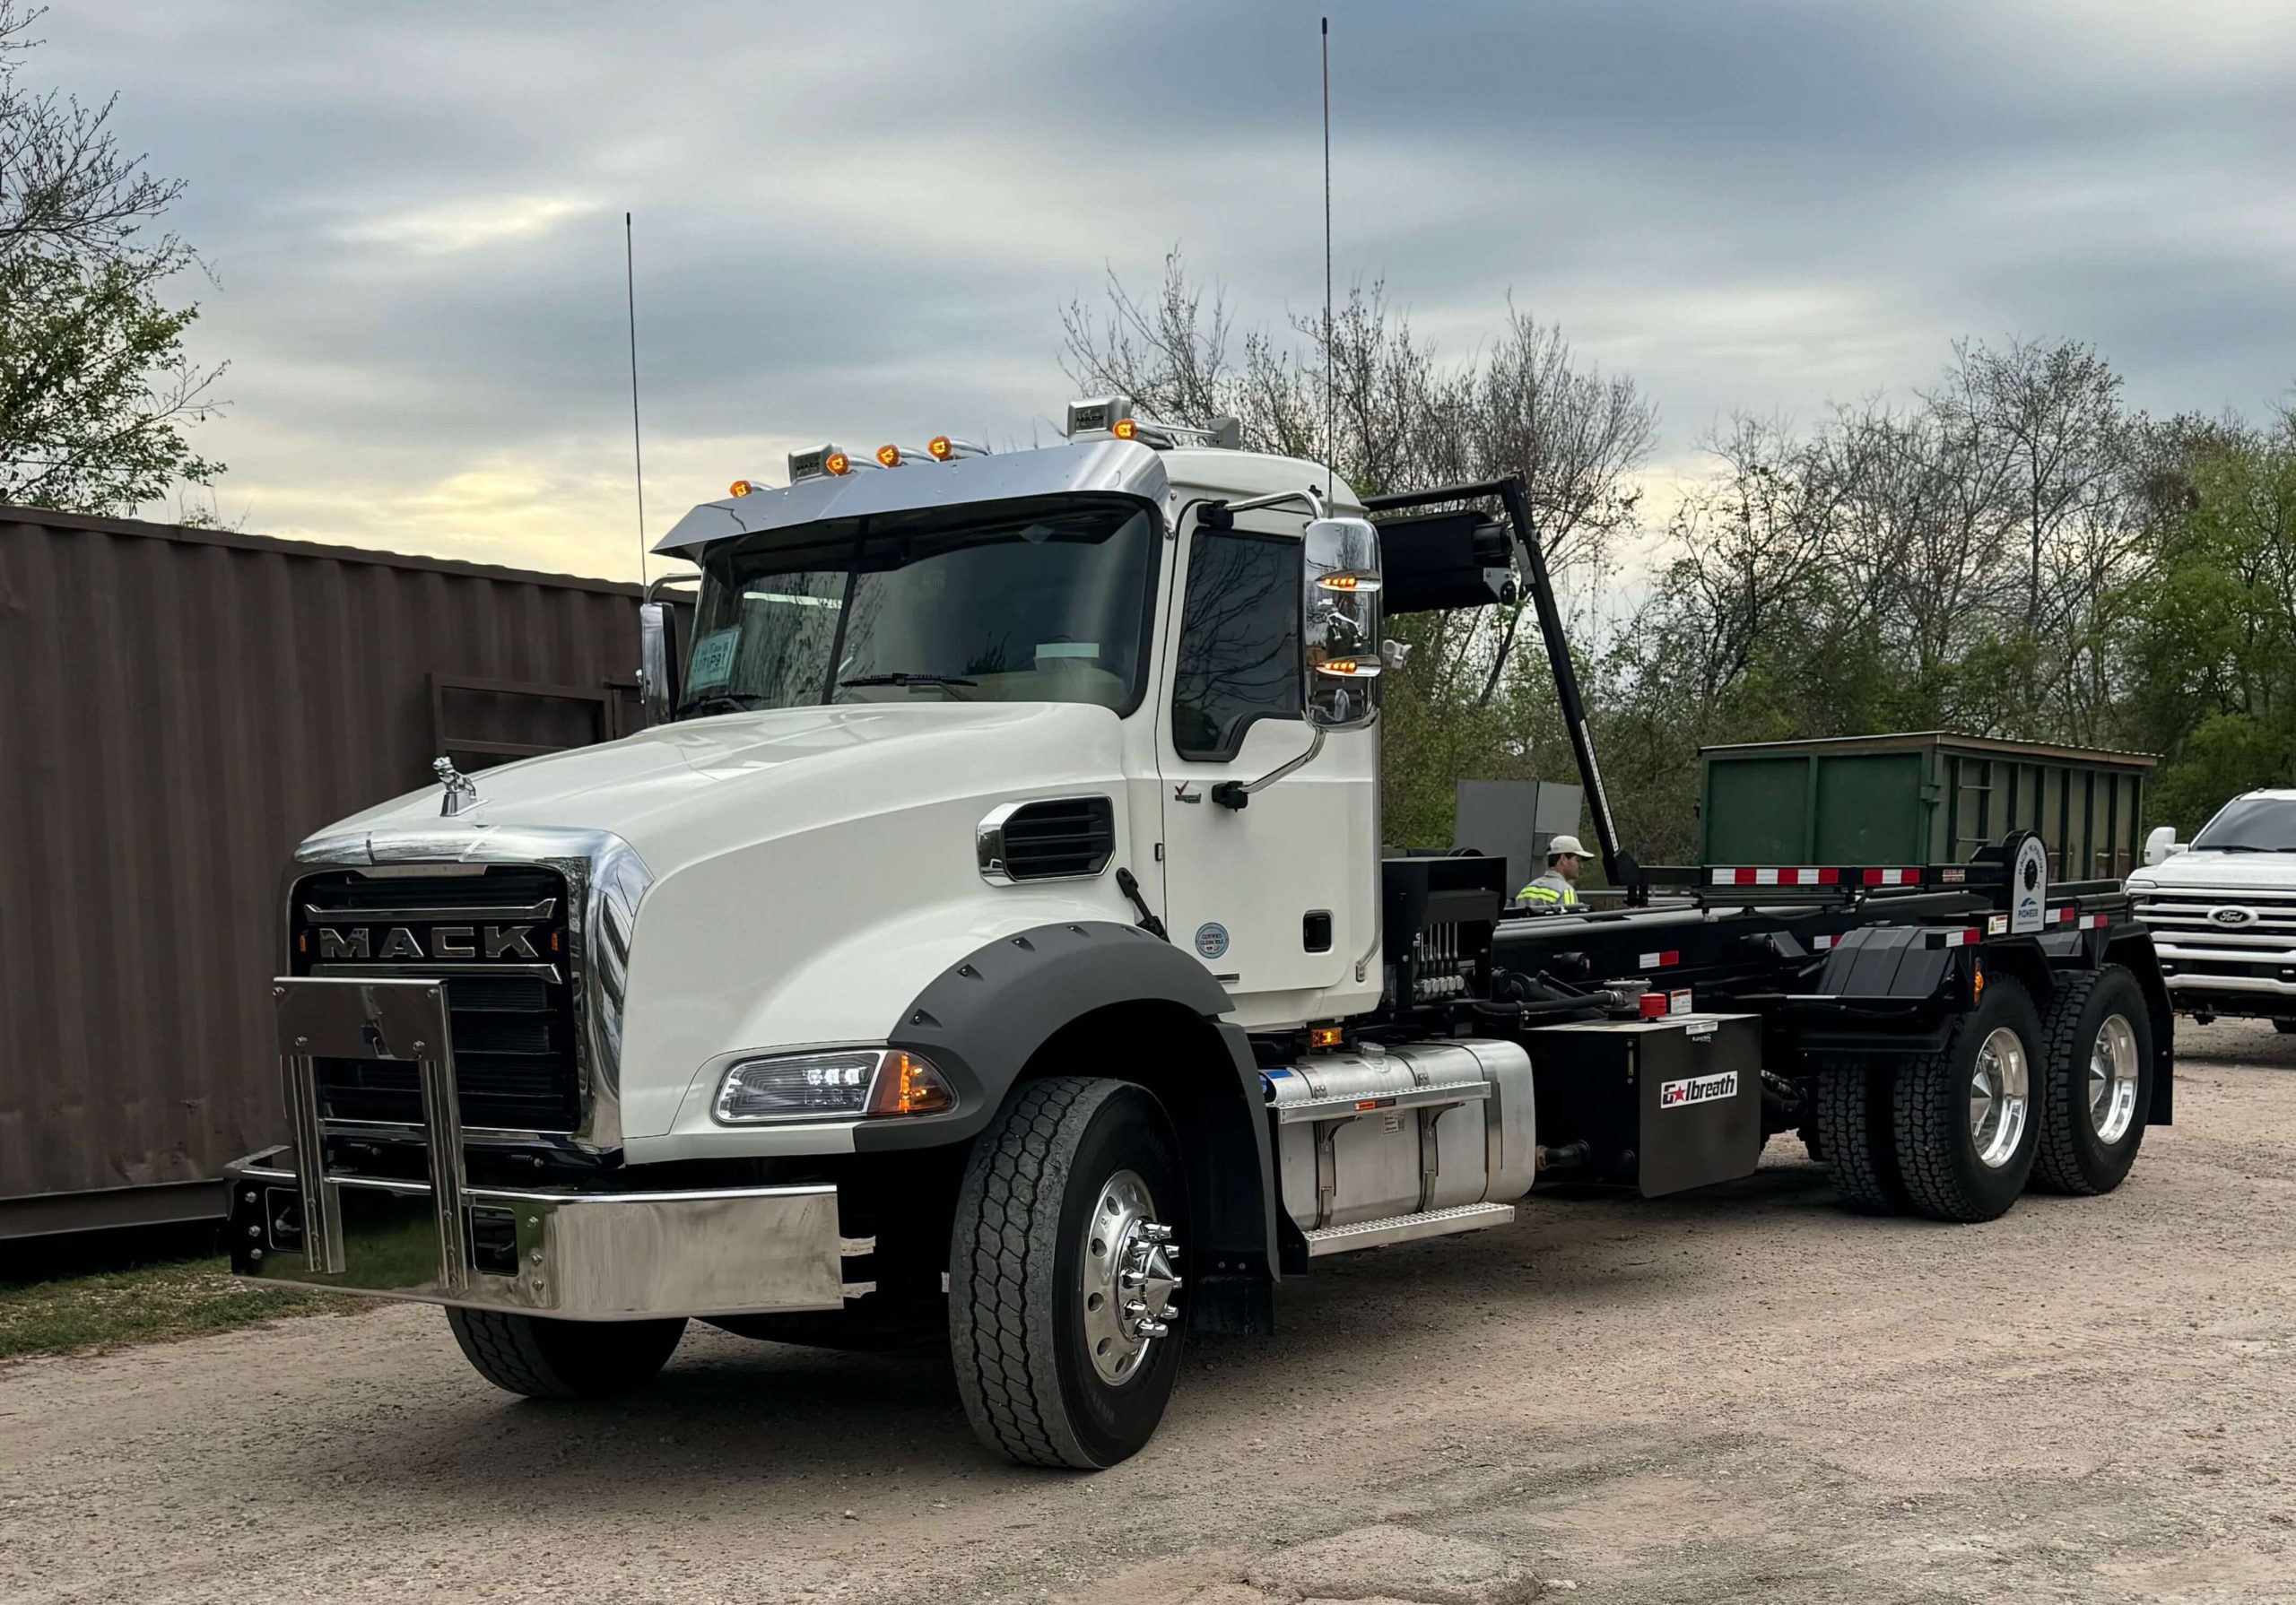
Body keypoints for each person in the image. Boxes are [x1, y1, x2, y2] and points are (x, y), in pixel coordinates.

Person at [1518, 834, 1588, 912]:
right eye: (1578, 860)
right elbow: (1569, 922)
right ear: (1563, 859)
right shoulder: (1566, 892)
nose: (1581, 866)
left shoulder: (1526, 891)